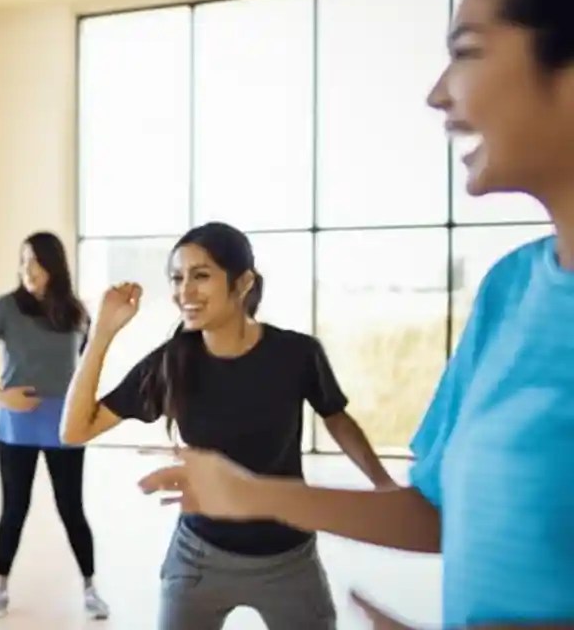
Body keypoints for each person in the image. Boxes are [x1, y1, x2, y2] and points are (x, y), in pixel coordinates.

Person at [137, 0, 574, 629]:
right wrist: (252, 494)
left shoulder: (293, 353)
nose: (439, 93)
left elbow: (337, 416)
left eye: (467, 51)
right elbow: (438, 516)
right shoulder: (511, 290)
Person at [62, 221, 395, 630]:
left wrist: (383, 485)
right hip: (198, 559)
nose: (185, 292)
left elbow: (337, 418)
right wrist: (101, 335)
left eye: (201, 276)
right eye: (177, 278)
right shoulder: (171, 363)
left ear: (243, 284)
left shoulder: (296, 353)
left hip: (289, 560)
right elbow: (75, 430)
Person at [0, 231, 111, 621]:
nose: (26, 269)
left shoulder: (77, 313)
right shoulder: (4, 308)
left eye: (35, 261)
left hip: (66, 425)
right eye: (23, 260)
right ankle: (0, 590)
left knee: (71, 508)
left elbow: (85, 370)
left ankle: (90, 589)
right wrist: (1, 396)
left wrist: (89, 411)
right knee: (14, 508)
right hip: (17, 426)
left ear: (54, 265)